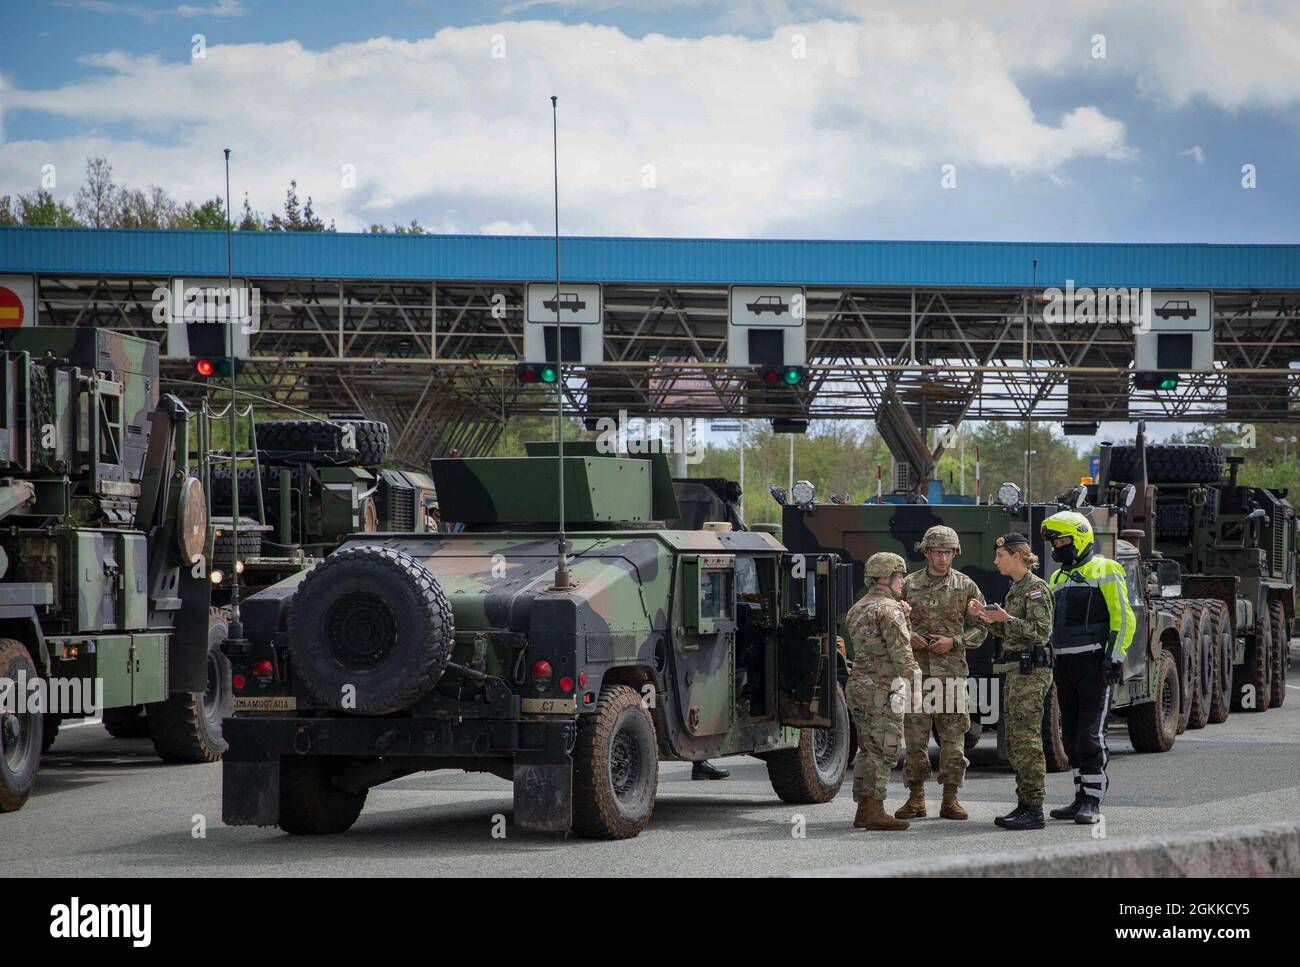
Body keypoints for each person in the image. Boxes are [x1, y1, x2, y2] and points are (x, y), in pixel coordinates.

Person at [1040, 510, 1134, 825]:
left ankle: (1093, 800)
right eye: (1054, 541)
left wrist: (1115, 657)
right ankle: (1080, 795)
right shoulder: (1057, 577)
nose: (1057, 547)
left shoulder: (1106, 569)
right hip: (1064, 663)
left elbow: (1124, 617)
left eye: (1062, 539)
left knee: (1090, 735)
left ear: (1080, 538)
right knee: (1070, 736)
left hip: (1094, 663)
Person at [897, 525, 987, 821]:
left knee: (953, 739)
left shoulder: (966, 587)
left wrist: (955, 641)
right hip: (917, 675)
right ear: (926, 552)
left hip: (951, 674)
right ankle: (916, 798)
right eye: (937, 552)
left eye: (948, 552)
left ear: (955, 553)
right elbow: (891, 620)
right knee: (915, 738)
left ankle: (951, 799)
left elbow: (983, 627)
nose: (942, 558)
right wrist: (909, 635)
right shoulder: (908, 585)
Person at [971, 532, 1054, 830]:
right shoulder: (1017, 589)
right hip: (1016, 670)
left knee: (1028, 740)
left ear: (1017, 556)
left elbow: (1040, 631)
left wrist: (1006, 619)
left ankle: (1034, 808)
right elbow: (1010, 634)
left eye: (1001, 556)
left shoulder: (1035, 589)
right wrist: (987, 618)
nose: (996, 561)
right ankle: (1024, 804)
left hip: (1031, 671)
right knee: (1017, 741)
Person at [845, 551, 920, 830]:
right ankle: (876, 810)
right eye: (900, 576)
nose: (903, 582)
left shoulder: (858, 607)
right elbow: (901, 652)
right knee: (885, 748)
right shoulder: (890, 610)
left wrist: (906, 618)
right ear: (887, 578)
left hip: (859, 685)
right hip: (882, 687)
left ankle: (863, 809)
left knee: (868, 748)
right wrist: (916, 685)